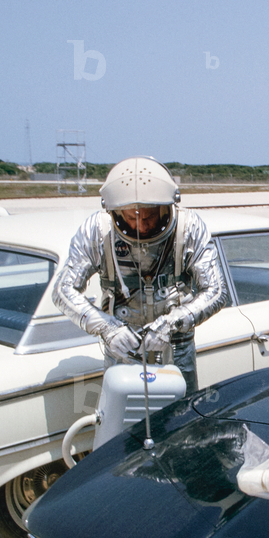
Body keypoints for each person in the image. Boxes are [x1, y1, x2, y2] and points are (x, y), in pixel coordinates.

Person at [52, 156, 225, 391]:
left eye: (150, 216)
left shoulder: (188, 227)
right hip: (122, 350)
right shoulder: (98, 230)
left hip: (175, 349)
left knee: (180, 420)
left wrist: (169, 325)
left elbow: (216, 291)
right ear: (114, 213)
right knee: (121, 418)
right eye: (131, 217)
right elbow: (63, 290)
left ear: (167, 207)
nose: (141, 226)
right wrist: (108, 328)